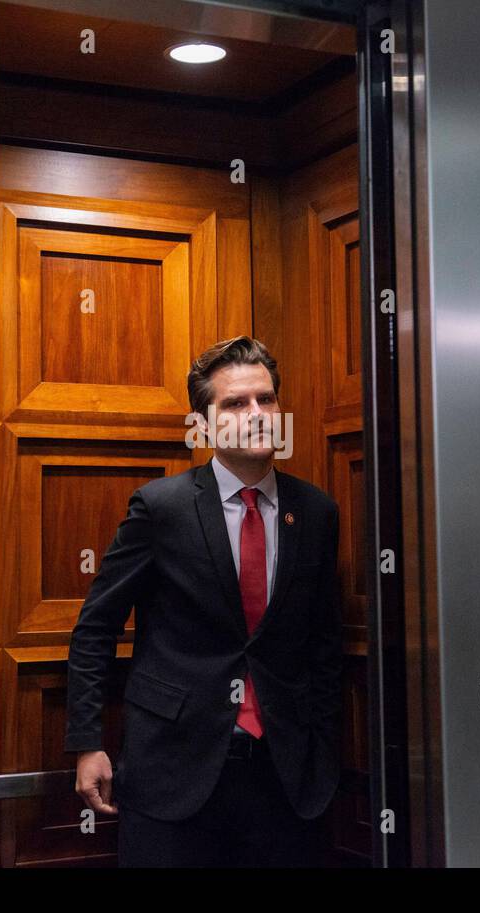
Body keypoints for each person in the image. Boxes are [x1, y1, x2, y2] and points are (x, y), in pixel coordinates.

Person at [64, 335, 343, 867]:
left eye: (266, 399)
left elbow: (324, 643)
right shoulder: (160, 507)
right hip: (174, 772)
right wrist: (87, 740)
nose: (257, 414)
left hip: (286, 779)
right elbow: (96, 626)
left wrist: (324, 750)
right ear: (206, 423)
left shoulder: (316, 512)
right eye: (236, 403)